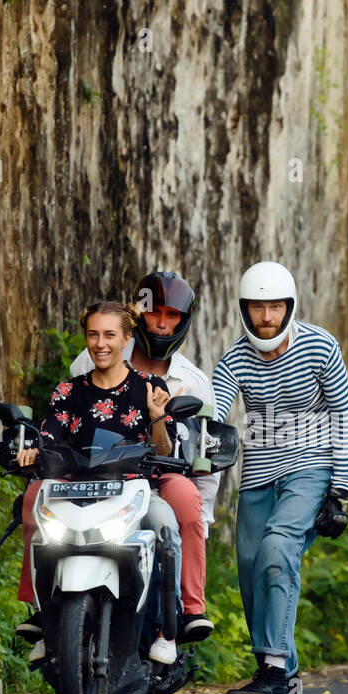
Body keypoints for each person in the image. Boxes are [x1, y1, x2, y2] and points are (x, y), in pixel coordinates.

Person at [16, 301, 192, 665]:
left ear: (127, 340)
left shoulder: (149, 387)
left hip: (134, 491)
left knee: (166, 527)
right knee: (39, 528)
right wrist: (33, 453)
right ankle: (44, 619)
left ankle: (167, 630)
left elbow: (165, 449)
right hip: (73, 492)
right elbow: (49, 436)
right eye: (93, 335)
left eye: (110, 335)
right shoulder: (69, 391)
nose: (101, 343)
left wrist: (158, 416)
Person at [212, 261, 348, 694]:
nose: (267, 317)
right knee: (252, 570)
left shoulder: (320, 347)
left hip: (311, 467)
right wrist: (200, 438)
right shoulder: (234, 359)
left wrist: (341, 489)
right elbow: (215, 415)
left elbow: (343, 415)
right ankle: (282, 673)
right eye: (258, 307)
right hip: (257, 476)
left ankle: (272, 671)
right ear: (245, 309)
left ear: (289, 307)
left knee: (278, 550)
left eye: (275, 306)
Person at [70, 271, 218, 642]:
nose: (163, 324)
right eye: (156, 314)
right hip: (97, 474)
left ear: (184, 322)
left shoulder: (196, 383)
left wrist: (204, 515)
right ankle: (48, 612)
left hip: (159, 475)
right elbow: (69, 415)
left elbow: (204, 453)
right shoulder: (94, 360)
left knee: (185, 501)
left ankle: (187, 611)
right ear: (138, 314)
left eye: (173, 316)